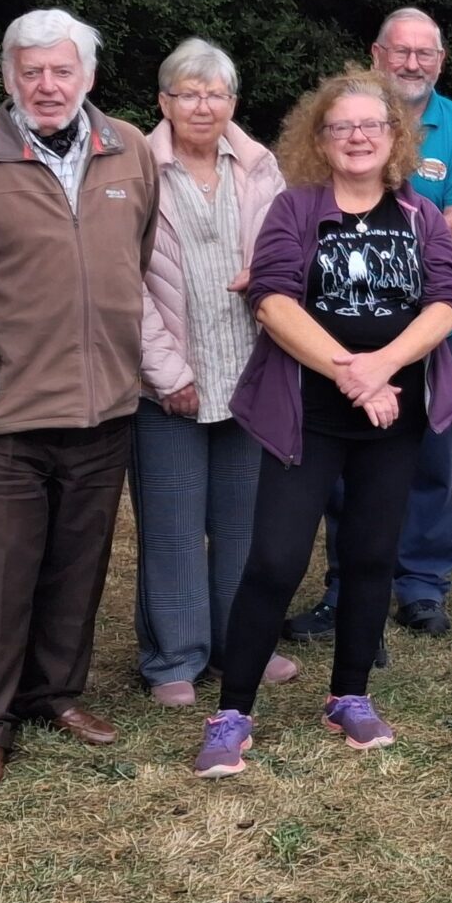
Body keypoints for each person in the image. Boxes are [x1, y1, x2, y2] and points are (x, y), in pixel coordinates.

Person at [0, 8, 160, 793]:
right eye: (32, 71)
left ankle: (56, 694)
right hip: (1, 417)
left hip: (104, 407)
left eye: (62, 70)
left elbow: (139, 255)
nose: (47, 85)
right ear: (8, 76)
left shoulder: (130, 150)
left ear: (87, 75)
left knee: (77, 566)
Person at [197, 73, 452, 772]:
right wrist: (352, 370)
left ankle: (349, 693)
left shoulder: (419, 216)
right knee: (276, 560)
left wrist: (382, 369)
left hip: (391, 418)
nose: (357, 137)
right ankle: (232, 711)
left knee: (372, 556)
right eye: (341, 126)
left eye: (371, 126)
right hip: (307, 416)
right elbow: (272, 298)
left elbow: (443, 302)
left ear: (393, 138)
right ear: (320, 139)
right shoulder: (295, 208)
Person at [286, 9, 452, 642]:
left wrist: (382, 229)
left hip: (436, 324)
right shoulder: (345, 120)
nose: (411, 64)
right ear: (376, 55)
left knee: (431, 452)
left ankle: (422, 587)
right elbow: (318, 203)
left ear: (440, 60)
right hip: (345, 325)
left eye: (424, 54)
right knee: (345, 459)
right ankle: (345, 589)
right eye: (400, 52)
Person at [132, 38, 294, 706]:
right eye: (189, 93)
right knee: (171, 523)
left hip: (249, 369)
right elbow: (121, 279)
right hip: (165, 374)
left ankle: (241, 643)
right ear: (164, 101)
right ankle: (174, 657)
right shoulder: (135, 169)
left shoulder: (260, 165)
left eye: (217, 93)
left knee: (244, 523)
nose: (204, 105)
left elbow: (291, 248)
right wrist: (166, 371)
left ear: (233, 101)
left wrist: (271, 274)